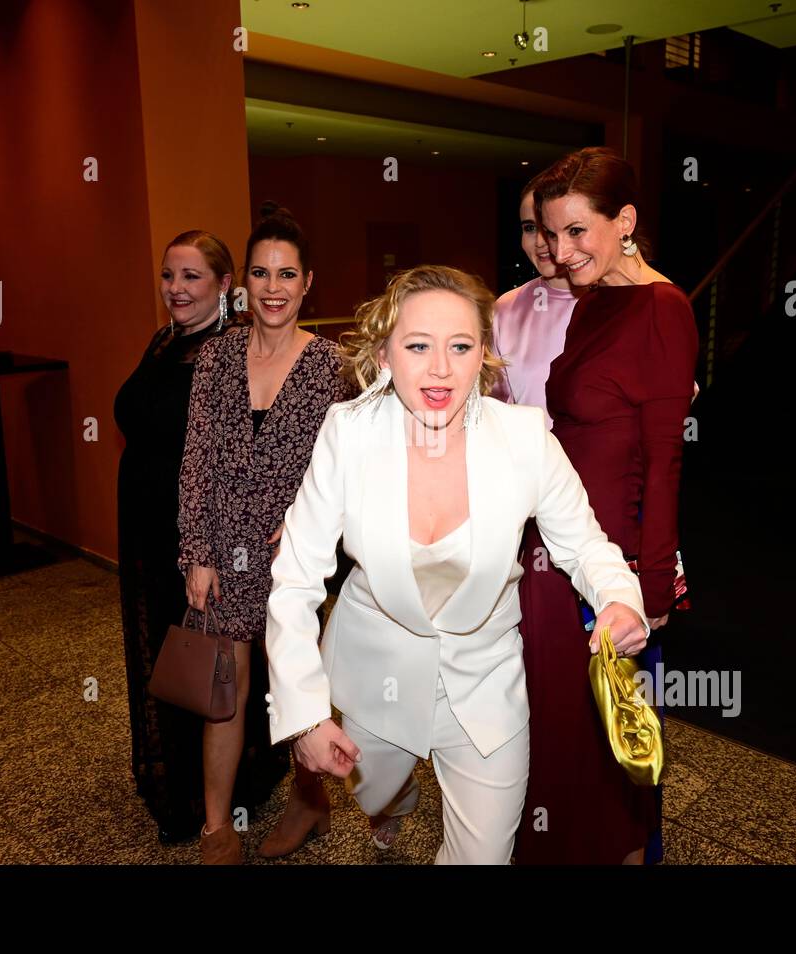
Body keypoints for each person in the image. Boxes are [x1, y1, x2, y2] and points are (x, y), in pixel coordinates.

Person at [263, 264, 649, 865]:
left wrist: (619, 597)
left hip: (485, 685)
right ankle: (398, 796)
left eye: (460, 346)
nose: (440, 368)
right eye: (418, 346)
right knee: (375, 794)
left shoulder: (525, 437)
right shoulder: (349, 433)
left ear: (484, 357)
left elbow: (585, 544)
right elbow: (294, 579)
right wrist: (305, 714)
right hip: (378, 677)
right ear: (385, 353)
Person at [514, 147, 698, 865]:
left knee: (603, 732)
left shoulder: (664, 307)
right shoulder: (594, 302)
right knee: (555, 725)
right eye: (551, 235)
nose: (559, 253)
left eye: (576, 233)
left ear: (624, 222)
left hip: (609, 563)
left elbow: (665, 463)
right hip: (554, 545)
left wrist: (649, 590)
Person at [178, 203, 354, 864]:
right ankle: (216, 825)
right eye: (260, 273)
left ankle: (310, 804)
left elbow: (346, 469)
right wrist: (195, 553)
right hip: (221, 554)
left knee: (298, 685)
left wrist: (311, 523)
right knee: (223, 690)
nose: (273, 287)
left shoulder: (333, 366)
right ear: (243, 283)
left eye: (287, 274)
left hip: (296, 557)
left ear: (309, 283)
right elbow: (193, 460)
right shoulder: (216, 358)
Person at [115, 230, 286, 844]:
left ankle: (217, 789)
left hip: (201, 532)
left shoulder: (234, 352)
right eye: (168, 276)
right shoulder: (166, 341)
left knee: (213, 662)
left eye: (191, 277)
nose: (175, 289)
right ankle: (179, 776)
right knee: (168, 650)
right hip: (144, 521)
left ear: (224, 285)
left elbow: (247, 457)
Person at [490, 184, 583, 423]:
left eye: (550, 229)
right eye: (530, 228)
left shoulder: (617, 302)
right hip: (523, 457)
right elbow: (492, 403)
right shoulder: (507, 307)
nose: (541, 241)